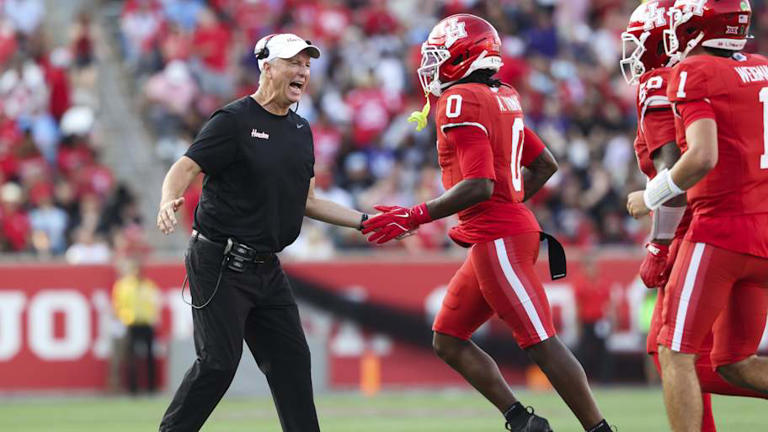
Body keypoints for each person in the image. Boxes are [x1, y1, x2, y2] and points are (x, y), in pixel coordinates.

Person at [363, 14, 613, 432]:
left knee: (541, 342)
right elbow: (544, 165)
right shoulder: (503, 95)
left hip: (499, 236)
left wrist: (415, 214)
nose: (432, 67)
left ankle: (600, 430)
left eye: (441, 57)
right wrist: (510, 203)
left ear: (464, 56)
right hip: (498, 233)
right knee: (448, 338)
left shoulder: (460, 100)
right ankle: (522, 421)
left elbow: (479, 184)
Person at [155, 33, 368, 432]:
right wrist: (169, 199)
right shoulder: (233, 121)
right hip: (218, 260)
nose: (303, 71)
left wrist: (364, 221)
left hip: (267, 266)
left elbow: (308, 201)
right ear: (266, 67)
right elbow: (184, 169)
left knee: (292, 362)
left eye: (307, 64)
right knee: (218, 363)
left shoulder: (301, 130)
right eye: (293, 62)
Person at [626, 1, 768, 430]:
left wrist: (651, 203)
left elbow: (696, 159)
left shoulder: (684, 74)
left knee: (673, 352)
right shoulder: (760, 66)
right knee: (733, 363)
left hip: (717, 230)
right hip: (761, 226)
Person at [112, 257, 161, 394]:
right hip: (131, 324)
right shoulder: (123, 286)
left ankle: (151, 387)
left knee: (150, 357)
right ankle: (133, 388)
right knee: (131, 358)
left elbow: (154, 303)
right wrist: (124, 318)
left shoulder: (148, 285)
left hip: (146, 323)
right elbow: (118, 305)